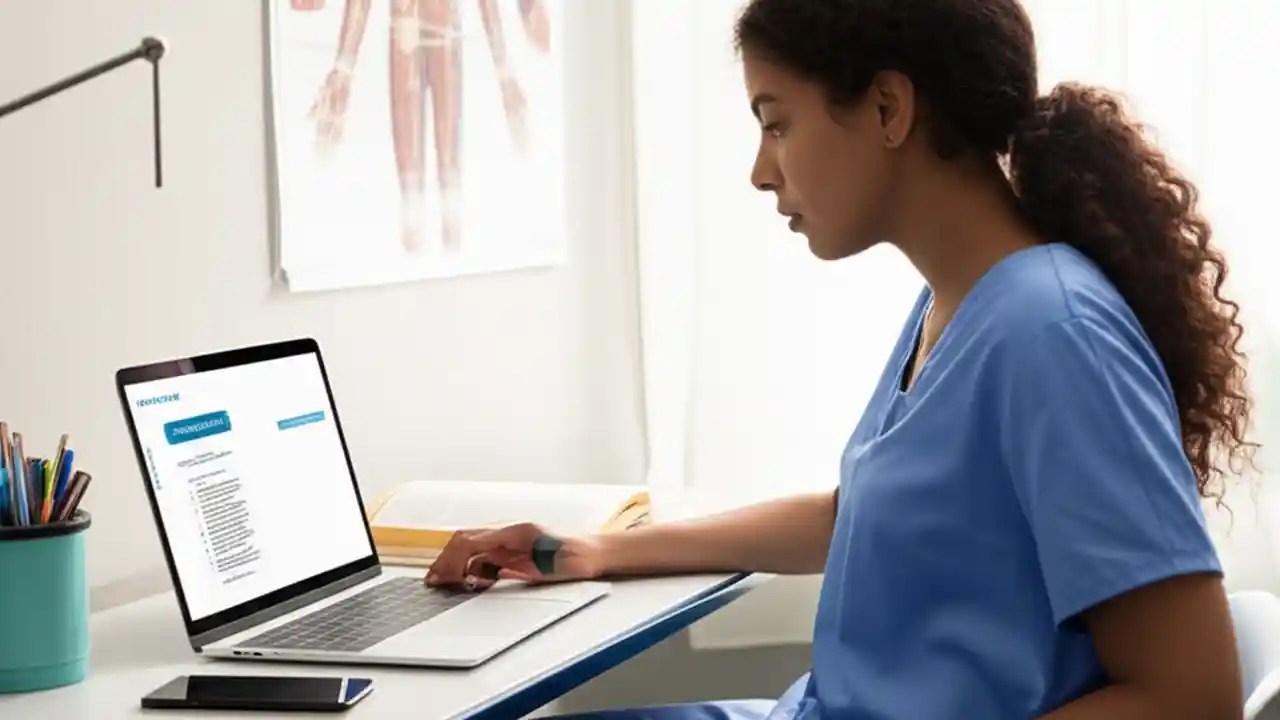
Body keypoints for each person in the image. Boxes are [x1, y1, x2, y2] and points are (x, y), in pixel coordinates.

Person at [426, 0, 1256, 717]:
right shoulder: (957, 301)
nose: (761, 171)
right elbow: (855, 512)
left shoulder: (1053, 333)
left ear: (890, 108)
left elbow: (1191, 697)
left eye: (777, 122)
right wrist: (597, 551)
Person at [308, 0, 549, 253]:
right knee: (421, 199)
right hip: (416, 31)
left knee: (445, 195)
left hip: (427, 32)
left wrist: (505, 77)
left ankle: (446, 252)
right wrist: (342, 70)